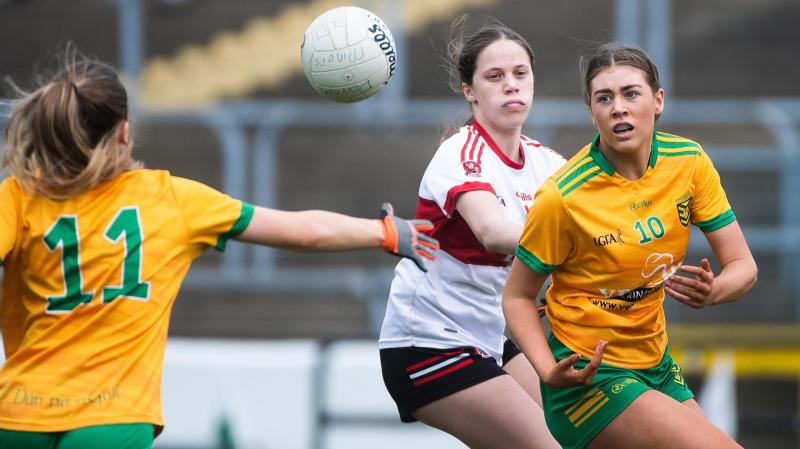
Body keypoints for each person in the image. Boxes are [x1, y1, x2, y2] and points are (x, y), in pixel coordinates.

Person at [0, 49, 438, 449]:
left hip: (16, 413)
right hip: (111, 416)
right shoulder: (170, 199)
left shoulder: (17, 195)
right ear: (123, 133)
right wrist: (386, 232)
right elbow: (301, 232)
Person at [502, 43, 758, 449]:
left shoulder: (688, 163)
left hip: (656, 365)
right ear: (593, 112)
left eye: (631, 94)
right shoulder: (562, 197)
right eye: (604, 98)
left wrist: (716, 291)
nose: (618, 107)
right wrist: (548, 370)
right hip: (591, 375)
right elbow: (517, 297)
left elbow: (743, 265)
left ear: (658, 101)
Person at [378, 17, 565, 449]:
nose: (511, 85)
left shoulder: (549, 164)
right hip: (426, 344)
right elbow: (492, 231)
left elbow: (602, 224)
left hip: (486, 339)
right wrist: (573, 247)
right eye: (494, 76)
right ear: (469, 90)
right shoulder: (459, 152)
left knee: (581, 435)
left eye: (521, 74)